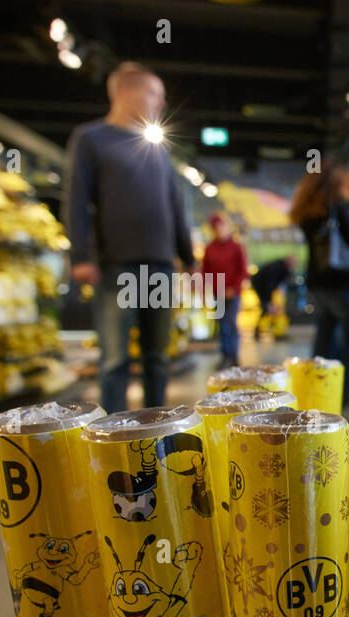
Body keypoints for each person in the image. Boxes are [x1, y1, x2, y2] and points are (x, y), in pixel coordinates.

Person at [62, 61, 194, 413]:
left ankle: (156, 428)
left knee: (157, 357)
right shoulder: (91, 139)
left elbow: (175, 207)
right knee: (115, 360)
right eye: (155, 93)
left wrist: (190, 259)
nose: (161, 104)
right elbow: (76, 199)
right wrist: (80, 257)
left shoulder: (157, 148)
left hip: (161, 265)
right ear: (126, 91)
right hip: (115, 264)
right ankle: (113, 437)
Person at [288, 160, 349, 403]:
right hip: (343, 281)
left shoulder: (307, 210)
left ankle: (316, 387)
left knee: (324, 336)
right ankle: (344, 390)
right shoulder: (337, 206)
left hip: (317, 281)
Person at [200, 213, 247, 369]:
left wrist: (234, 288)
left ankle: (233, 356)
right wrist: (205, 289)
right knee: (222, 325)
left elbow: (242, 271)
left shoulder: (236, 247)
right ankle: (225, 355)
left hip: (233, 293)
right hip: (217, 293)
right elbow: (205, 271)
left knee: (231, 324)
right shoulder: (210, 248)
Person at [250, 255, 298, 339]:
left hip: (264, 287)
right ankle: (263, 330)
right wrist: (269, 301)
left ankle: (274, 331)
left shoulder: (282, 268)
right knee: (266, 307)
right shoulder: (275, 268)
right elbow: (268, 285)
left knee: (271, 308)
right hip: (260, 287)